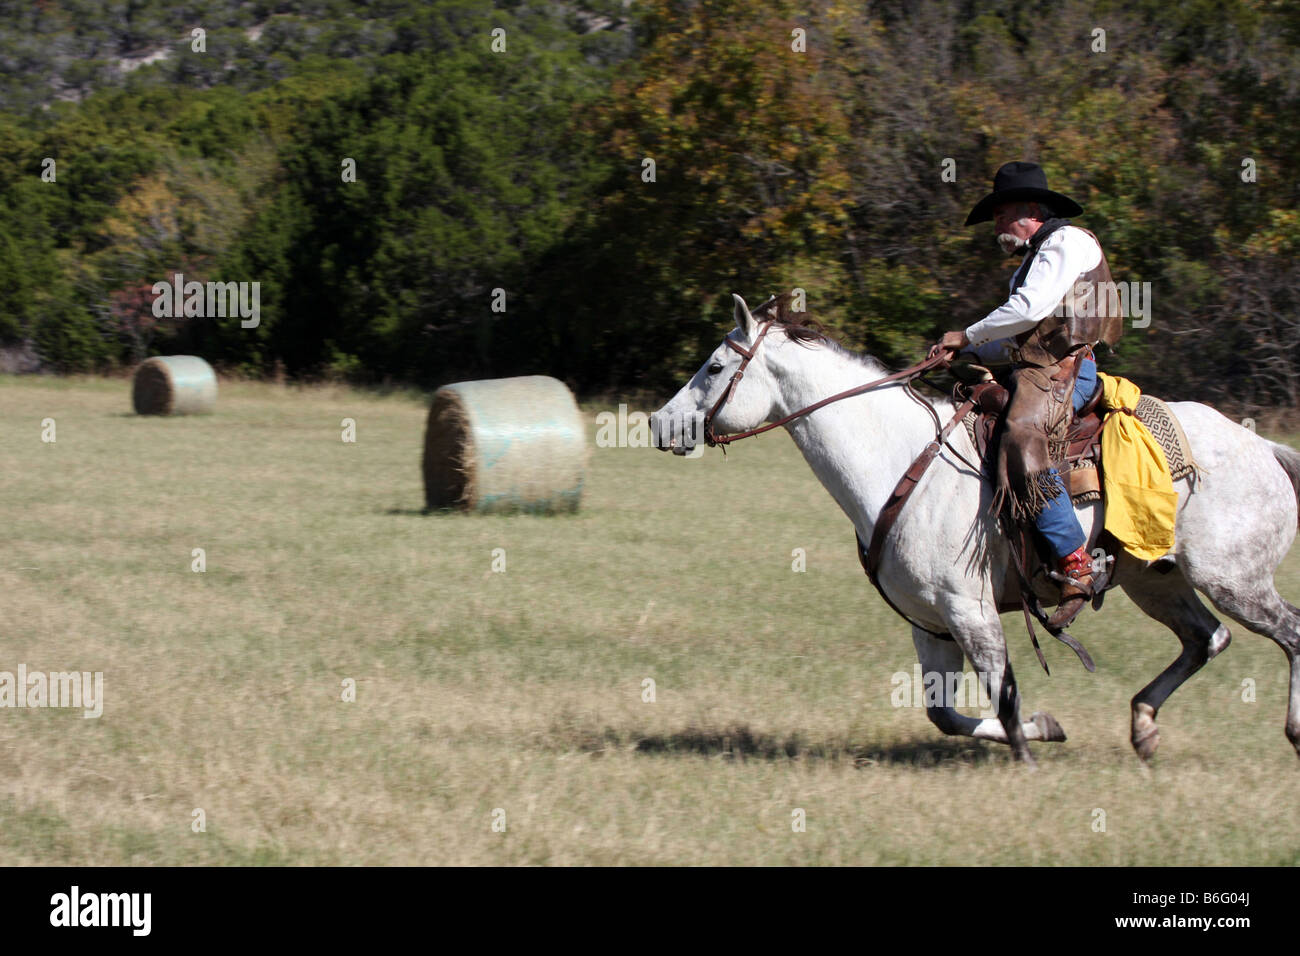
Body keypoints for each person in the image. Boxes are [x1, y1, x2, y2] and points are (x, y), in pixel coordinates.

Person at [930, 161, 1122, 628]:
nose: (996, 225)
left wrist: (967, 332)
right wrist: (964, 348)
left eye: (1002, 214)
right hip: (1038, 371)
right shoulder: (1031, 262)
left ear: (1033, 211)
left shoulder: (1065, 242)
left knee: (1021, 434)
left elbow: (1029, 310)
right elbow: (1014, 337)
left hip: (1068, 372)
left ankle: (1076, 562)